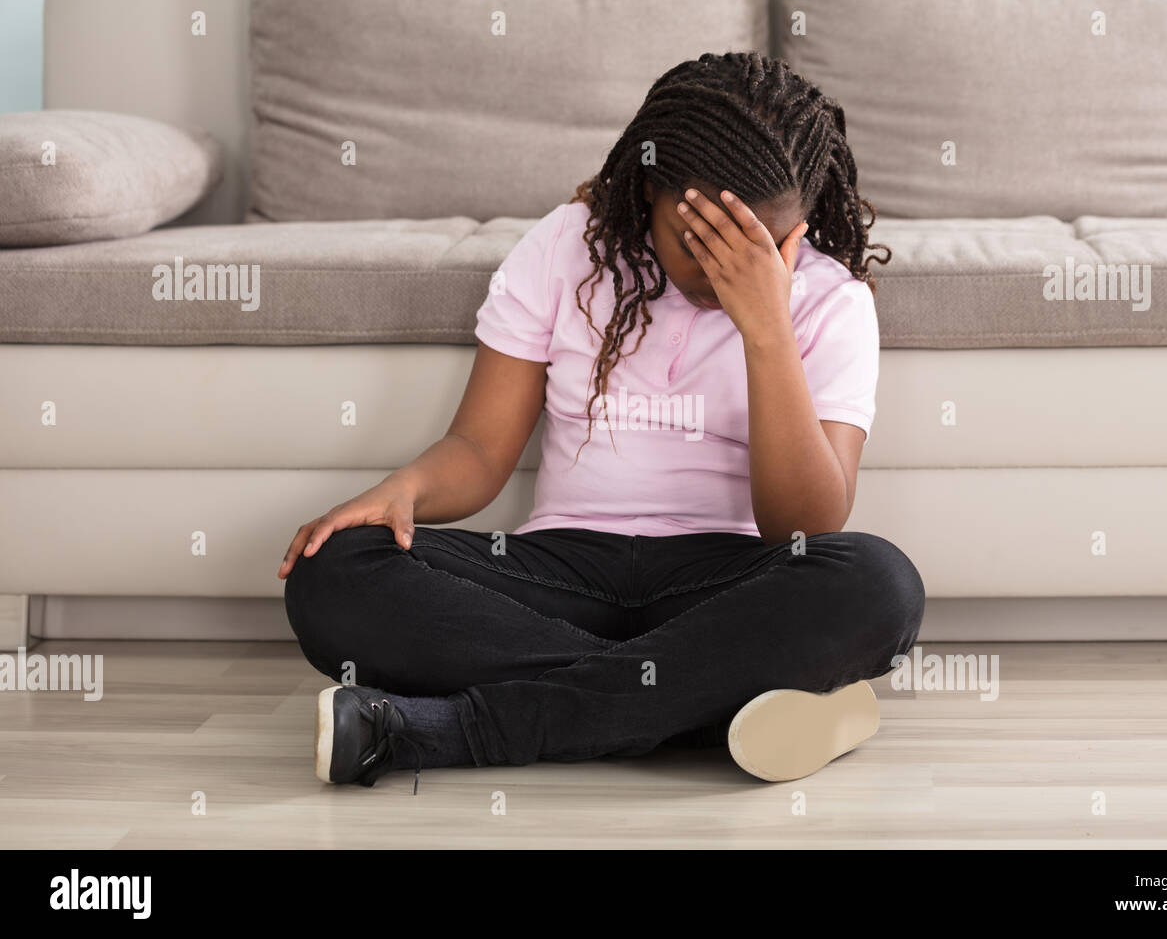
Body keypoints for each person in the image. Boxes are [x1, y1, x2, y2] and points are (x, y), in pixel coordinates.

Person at [279, 52, 924, 794]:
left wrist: (768, 329)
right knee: (334, 571)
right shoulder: (567, 245)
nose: (723, 273)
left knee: (879, 584)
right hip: (560, 569)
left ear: (798, 227)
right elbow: (481, 448)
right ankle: (712, 696)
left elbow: (804, 524)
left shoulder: (829, 298)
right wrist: (408, 489)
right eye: (698, 241)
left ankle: (454, 729)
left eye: (758, 249)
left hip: (726, 582)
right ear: (649, 189)